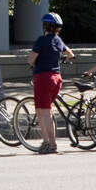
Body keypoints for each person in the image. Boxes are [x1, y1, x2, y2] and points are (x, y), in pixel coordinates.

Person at [27, 12, 74, 154]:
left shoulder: (41, 40)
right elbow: (70, 54)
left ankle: (48, 143)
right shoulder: (58, 40)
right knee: (48, 111)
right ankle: (51, 143)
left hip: (43, 78)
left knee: (43, 113)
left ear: (45, 26)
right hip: (57, 78)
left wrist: (36, 62)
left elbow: (30, 60)